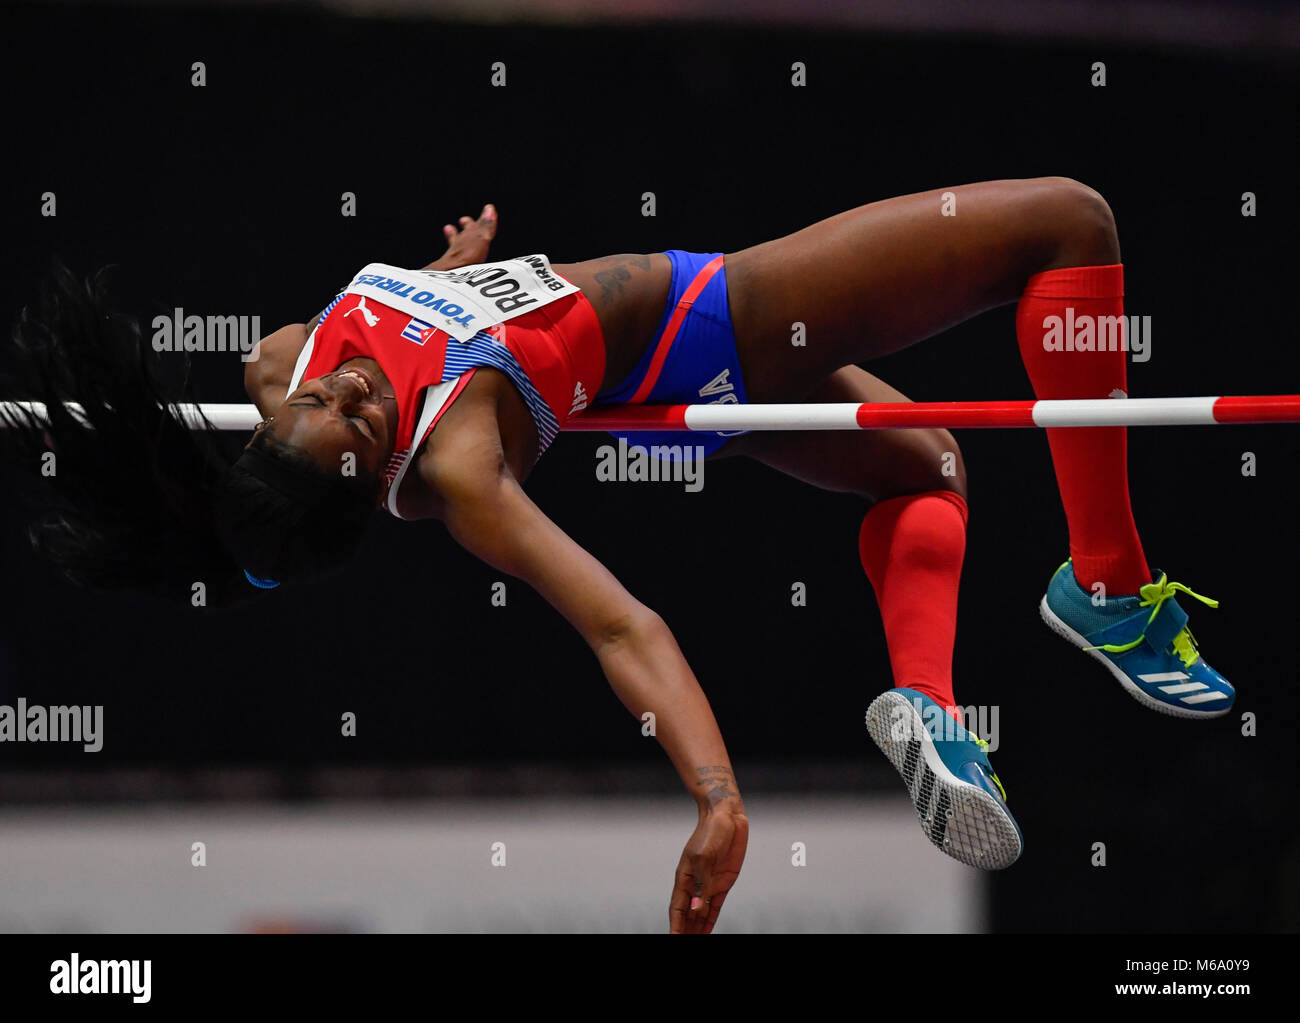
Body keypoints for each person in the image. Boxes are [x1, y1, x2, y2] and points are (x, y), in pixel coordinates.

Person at [4, 180, 1232, 934]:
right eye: (363, 426)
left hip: (670, 376)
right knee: (1068, 225)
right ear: (383, 477)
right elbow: (621, 625)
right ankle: (1107, 588)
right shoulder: (460, 466)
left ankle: (926, 705)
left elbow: (345, 371)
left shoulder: (284, 359)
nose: (353, 393)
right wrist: (714, 796)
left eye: (334, 402)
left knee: (926, 468)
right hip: (719, 330)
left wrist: (450, 269)